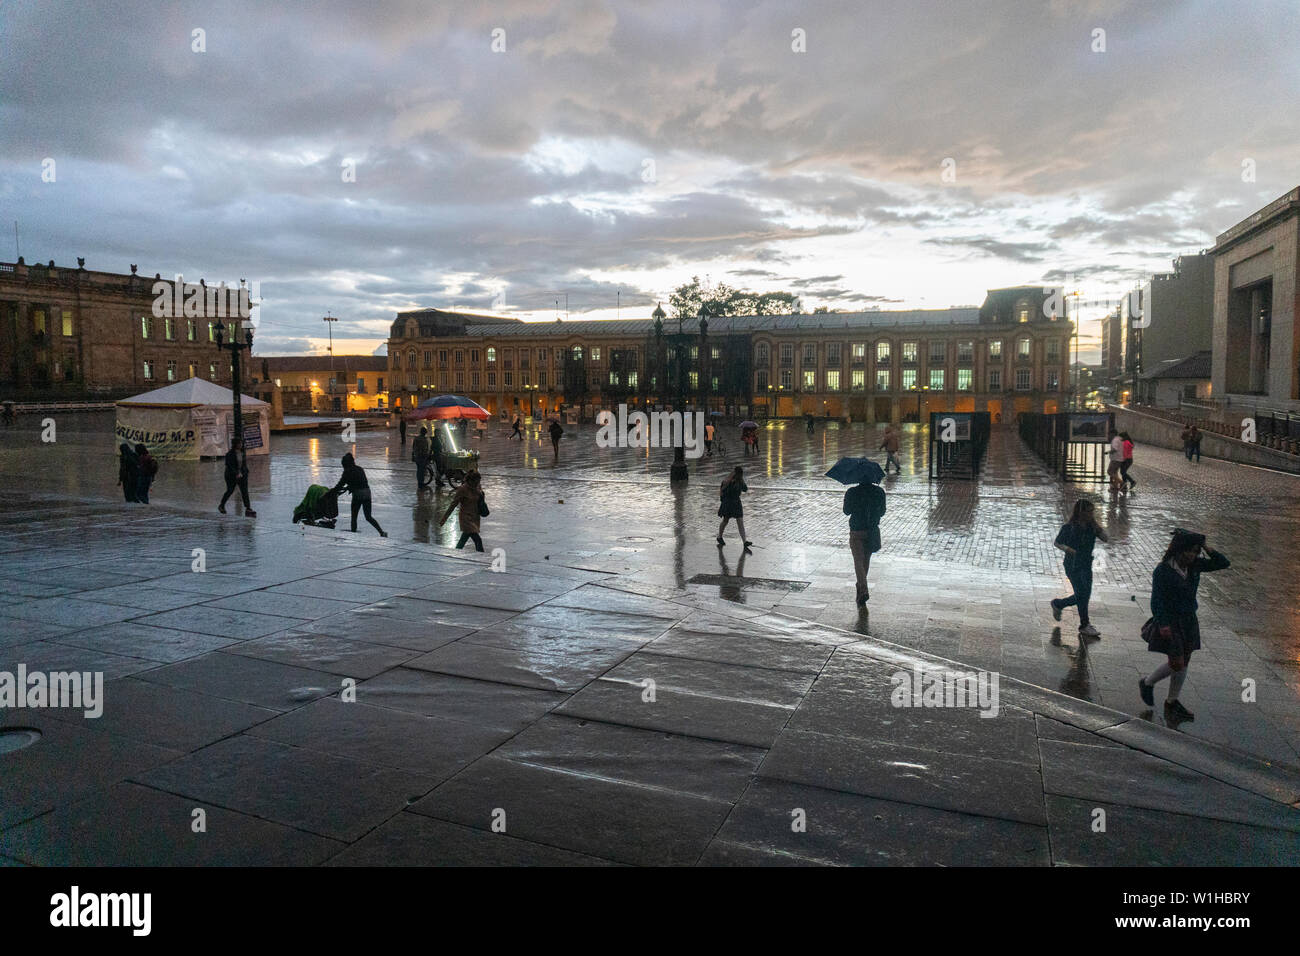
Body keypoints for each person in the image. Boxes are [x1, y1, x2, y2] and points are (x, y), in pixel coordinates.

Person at [1138, 531, 1230, 720]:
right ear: (1178, 549)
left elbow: (1223, 563)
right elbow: (1157, 600)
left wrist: (1205, 546)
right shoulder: (1163, 570)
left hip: (1188, 620)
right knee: (1177, 662)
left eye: (1195, 552)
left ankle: (1172, 702)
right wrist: (1163, 623)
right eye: (1188, 551)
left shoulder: (1195, 565)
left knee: (1184, 660)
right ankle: (1148, 682)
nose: (1192, 555)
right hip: (1171, 621)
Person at [1050, 499, 1108, 638]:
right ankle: (1084, 624)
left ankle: (1059, 604)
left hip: (1086, 563)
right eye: (1088, 511)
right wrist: (1068, 549)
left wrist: (1097, 527)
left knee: (1084, 594)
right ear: (1080, 512)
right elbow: (1057, 542)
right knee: (1082, 593)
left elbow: (1105, 538)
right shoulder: (1069, 527)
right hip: (1073, 564)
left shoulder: (1091, 527)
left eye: (1092, 511)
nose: (1091, 514)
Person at [843, 476, 886, 605]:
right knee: (865, 561)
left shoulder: (852, 492)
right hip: (871, 530)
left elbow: (846, 511)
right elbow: (882, 512)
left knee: (858, 560)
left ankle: (862, 588)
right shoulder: (879, 492)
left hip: (856, 530)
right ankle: (861, 586)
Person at [331, 452, 387, 536]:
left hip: (357, 495)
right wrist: (349, 487)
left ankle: (353, 534)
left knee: (354, 517)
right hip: (367, 492)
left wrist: (331, 492)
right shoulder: (360, 469)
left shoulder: (347, 472)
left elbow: (340, 485)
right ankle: (381, 532)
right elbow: (361, 482)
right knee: (368, 517)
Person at [440, 469, 485, 551]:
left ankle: (456, 552)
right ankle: (481, 557)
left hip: (475, 517)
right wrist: (444, 519)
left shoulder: (478, 488)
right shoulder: (462, 490)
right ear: (469, 481)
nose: (477, 484)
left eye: (478, 482)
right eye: (475, 482)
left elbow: (481, 500)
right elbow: (453, 505)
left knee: (464, 538)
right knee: (477, 540)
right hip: (466, 518)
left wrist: (480, 492)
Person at [716, 466, 753, 550]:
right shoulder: (727, 481)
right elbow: (722, 492)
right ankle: (719, 536)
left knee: (740, 521)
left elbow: (745, 489)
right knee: (725, 520)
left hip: (736, 503)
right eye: (739, 475)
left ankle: (744, 542)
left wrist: (742, 481)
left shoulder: (740, 481)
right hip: (728, 503)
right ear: (735, 474)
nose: (740, 476)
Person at [218, 438, 256, 516]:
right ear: (235, 444)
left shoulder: (242, 452)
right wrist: (236, 473)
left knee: (244, 491)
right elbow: (229, 465)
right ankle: (221, 505)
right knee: (230, 490)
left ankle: (248, 508)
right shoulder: (230, 454)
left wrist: (245, 472)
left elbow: (243, 463)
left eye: (241, 443)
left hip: (242, 475)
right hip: (231, 476)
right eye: (239, 444)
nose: (240, 445)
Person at [412, 426, 431, 490]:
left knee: (419, 471)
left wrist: (414, 455)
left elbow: (413, 447)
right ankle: (421, 484)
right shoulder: (424, 440)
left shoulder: (416, 438)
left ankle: (420, 483)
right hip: (422, 457)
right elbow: (426, 449)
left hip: (417, 457)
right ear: (425, 433)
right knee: (422, 471)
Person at [1107, 429, 1124, 494]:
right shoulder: (1120, 439)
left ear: (1113, 434)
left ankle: (1122, 483)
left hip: (1115, 459)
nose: (1109, 436)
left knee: (1110, 471)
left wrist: (1107, 452)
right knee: (1115, 473)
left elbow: (1115, 449)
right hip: (1120, 458)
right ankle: (1115, 487)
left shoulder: (1115, 440)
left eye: (1109, 434)